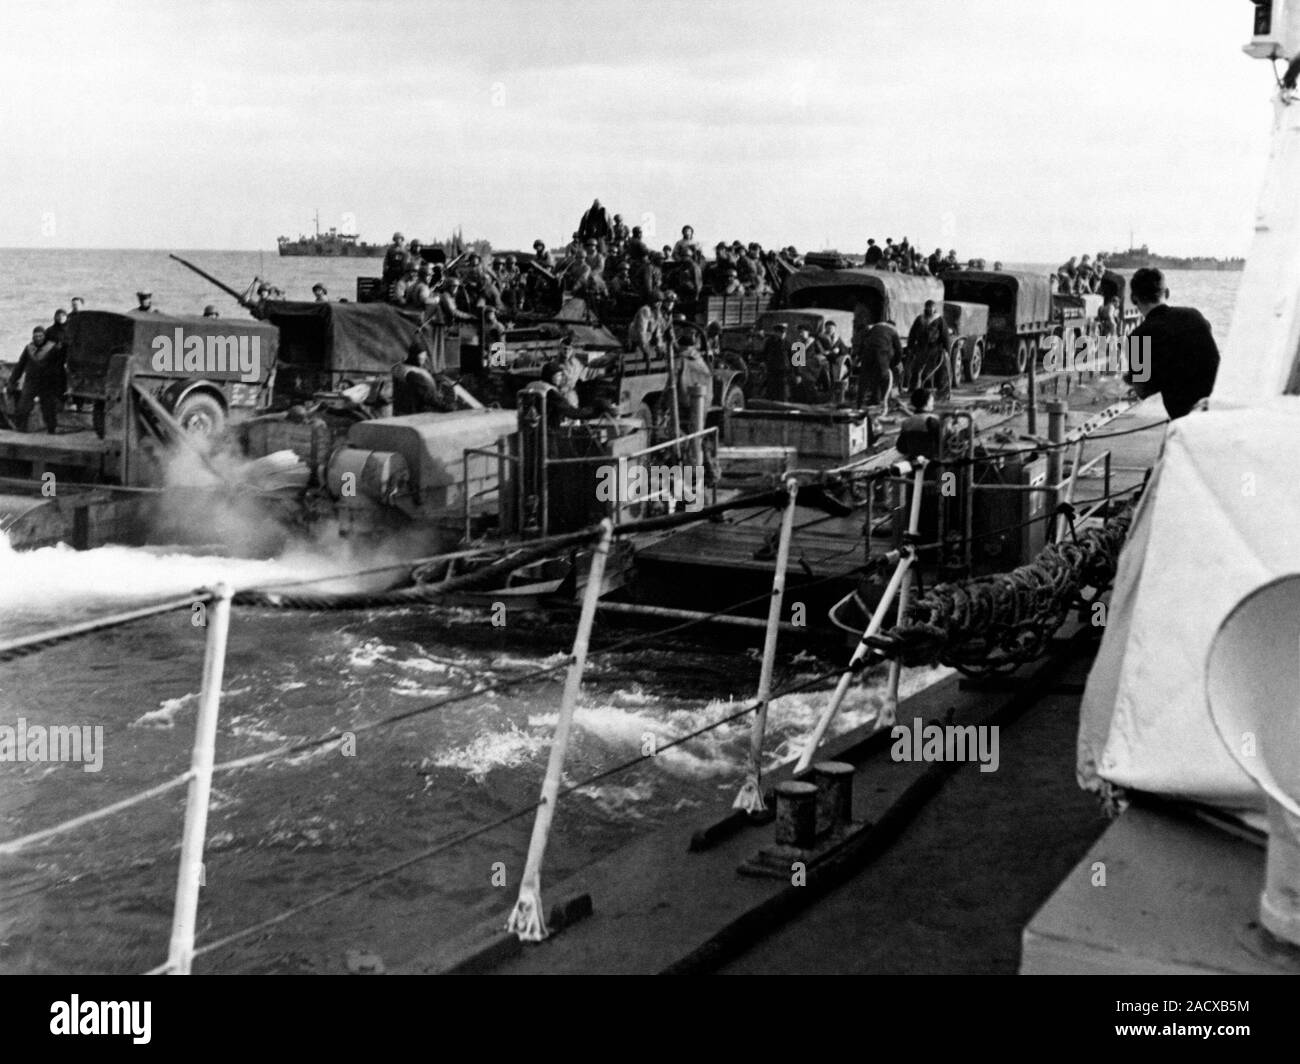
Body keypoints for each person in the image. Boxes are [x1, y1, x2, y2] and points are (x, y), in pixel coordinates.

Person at [1125, 267, 1219, 420]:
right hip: (1216, 408)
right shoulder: (1195, 315)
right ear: (1167, 293)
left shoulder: (1137, 338)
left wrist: (1130, 377)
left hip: (1185, 421)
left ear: (1134, 299)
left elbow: (1142, 391)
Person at [7, 326, 62, 433]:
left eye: (40, 336)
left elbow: (58, 368)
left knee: (48, 406)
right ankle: (21, 429)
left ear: (44, 336)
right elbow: (20, 366)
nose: (38, 338)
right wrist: (12, 381)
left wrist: (58, 386)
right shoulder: (29, 348)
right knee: (23, 406)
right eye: (36, 336)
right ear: (33, 337)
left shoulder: (52, 348)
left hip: (46, 382)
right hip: (31, 381)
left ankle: (51, 429)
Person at [854, 314, 903, 408]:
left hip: (867, 355)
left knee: (864, 379)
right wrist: (893, 364)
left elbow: (862, 344)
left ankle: (860, 404)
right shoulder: (893, 331)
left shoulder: (872, 329)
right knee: (884, 378)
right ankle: (886, 404)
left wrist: (858, 357)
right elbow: (899, 350)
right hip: (881, 355)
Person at [391, 344, 454, 415]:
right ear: (414, 356)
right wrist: (446, 407)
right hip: (415, 412)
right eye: (422, 357)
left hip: (399, 410)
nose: (424, 359)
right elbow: (427, 397)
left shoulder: (398, 367)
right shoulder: (412, 374)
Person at [907, 300, 952, 394]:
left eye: (932, 307)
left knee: (940, 368)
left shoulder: (939, 320)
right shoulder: (920, 319)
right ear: (925, 308)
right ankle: (913, 388)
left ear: (935, 308)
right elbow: (912, 333)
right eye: (928, 307)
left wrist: (947, 350)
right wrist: (910, 346)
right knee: (916, 368)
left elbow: (945, 335)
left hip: (935, 347)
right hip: (921, 347)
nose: (930, 309)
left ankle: (942, 389)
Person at [761, 321, 792, 402]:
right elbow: (764, 354)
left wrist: (797, 372)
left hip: (784, 371)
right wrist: (764, 363)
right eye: (781, 333)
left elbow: (792, 357)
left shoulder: (787, 343)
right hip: (772, 369)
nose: (783, 335)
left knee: (783, 391)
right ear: (776, 333)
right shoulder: (770, 342)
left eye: (784, 333)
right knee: (771, 389)